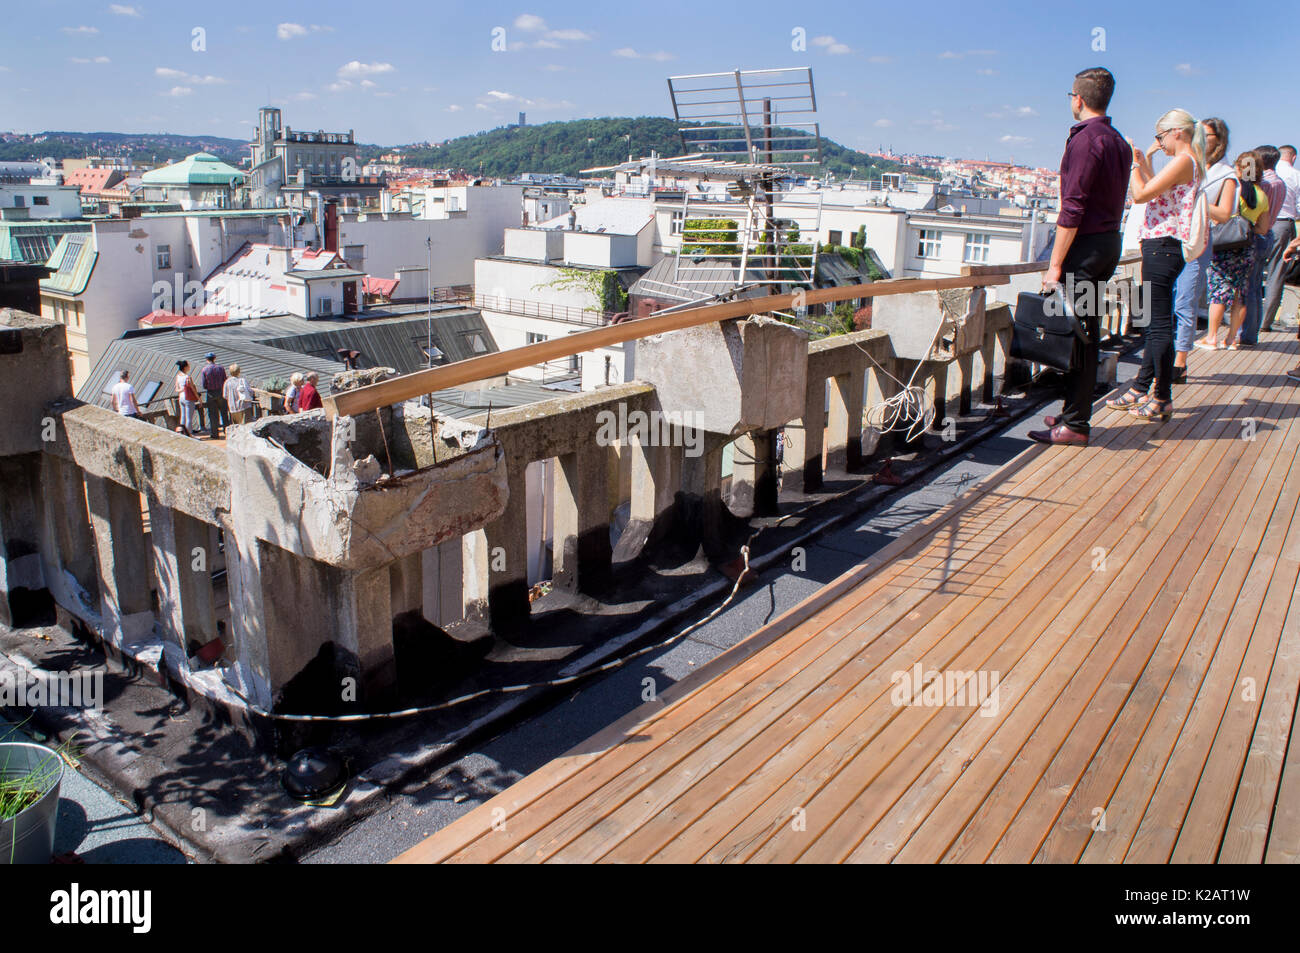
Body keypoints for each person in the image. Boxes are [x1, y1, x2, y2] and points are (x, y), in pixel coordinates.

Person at [1028, 67, 1130, 447]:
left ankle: (1075, 424)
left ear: (1078, 98)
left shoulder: (1086, 140)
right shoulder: (1117, 140)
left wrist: (1054, 265)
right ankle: (1074, 411)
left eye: (1070, 94)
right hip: (1108, 243)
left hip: (1084, 248)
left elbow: (1072, 208)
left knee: (1080, 334)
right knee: (1083, 330)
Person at [1106, 108, 1204, 423]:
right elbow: (1156, 193)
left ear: (1177, 132)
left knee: (1159, 325)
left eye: (1160, 136)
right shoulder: (1187, 163)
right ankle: (1144, 387)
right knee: (1154, 323)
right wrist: (1144, 163)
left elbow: (1140, 194)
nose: (1159, 143)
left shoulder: (1184, 161)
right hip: (1164, 248)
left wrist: (1134, 164)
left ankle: (1162, 397)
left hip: (1163, 247)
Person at [1172, 117, 1234, 382]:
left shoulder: (1226, 174)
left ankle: (1179, 362)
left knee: (1185, 300)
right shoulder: (1189, 162)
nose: (1199, 138)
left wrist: (1195, 201)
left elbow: (1224, 213)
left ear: (1218, 141)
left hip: (1198, 241)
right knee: (1170, 296)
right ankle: (1165, 357)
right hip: (1175, 237)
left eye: (1205, 135)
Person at [1197, 152, 1265, 350]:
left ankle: (1211, 337)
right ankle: (1232, 339)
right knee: (1239, 293)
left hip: (1224, 246)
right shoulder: (1261, 195)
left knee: (1219, 291)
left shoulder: (1233, 188)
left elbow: (1220, 216)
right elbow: (1263, 228)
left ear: (1238, 168)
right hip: (1247, 247)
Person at [1239, 145, 1287, 344]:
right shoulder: (1281, 183)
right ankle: (1253, 332)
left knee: (1247, 288)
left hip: (1253, 235)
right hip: (1269, 233)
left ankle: (1246, 333)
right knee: (1257, 287)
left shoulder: (1262, 185)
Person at [1261, 144, 1300, 331]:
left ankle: (1242, 321)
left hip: (1260, 222)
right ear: (1293, 157)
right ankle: (1265, 322)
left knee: (1252, 272)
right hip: (1284, 224)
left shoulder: (1261, 175)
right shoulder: (1296, 175)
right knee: (1276, 273)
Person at [174, 359, 199, 437]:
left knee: (183, 416)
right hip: (188, 397)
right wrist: (198, 398)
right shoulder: (187, 377)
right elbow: (193, 388)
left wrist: (182, 389)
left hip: (181, 397)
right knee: (189, 417)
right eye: (188, 366)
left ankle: (182, 432)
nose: (189, 367)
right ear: (185, 367)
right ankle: (189, 433)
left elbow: (176, 389)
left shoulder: (178, 376)